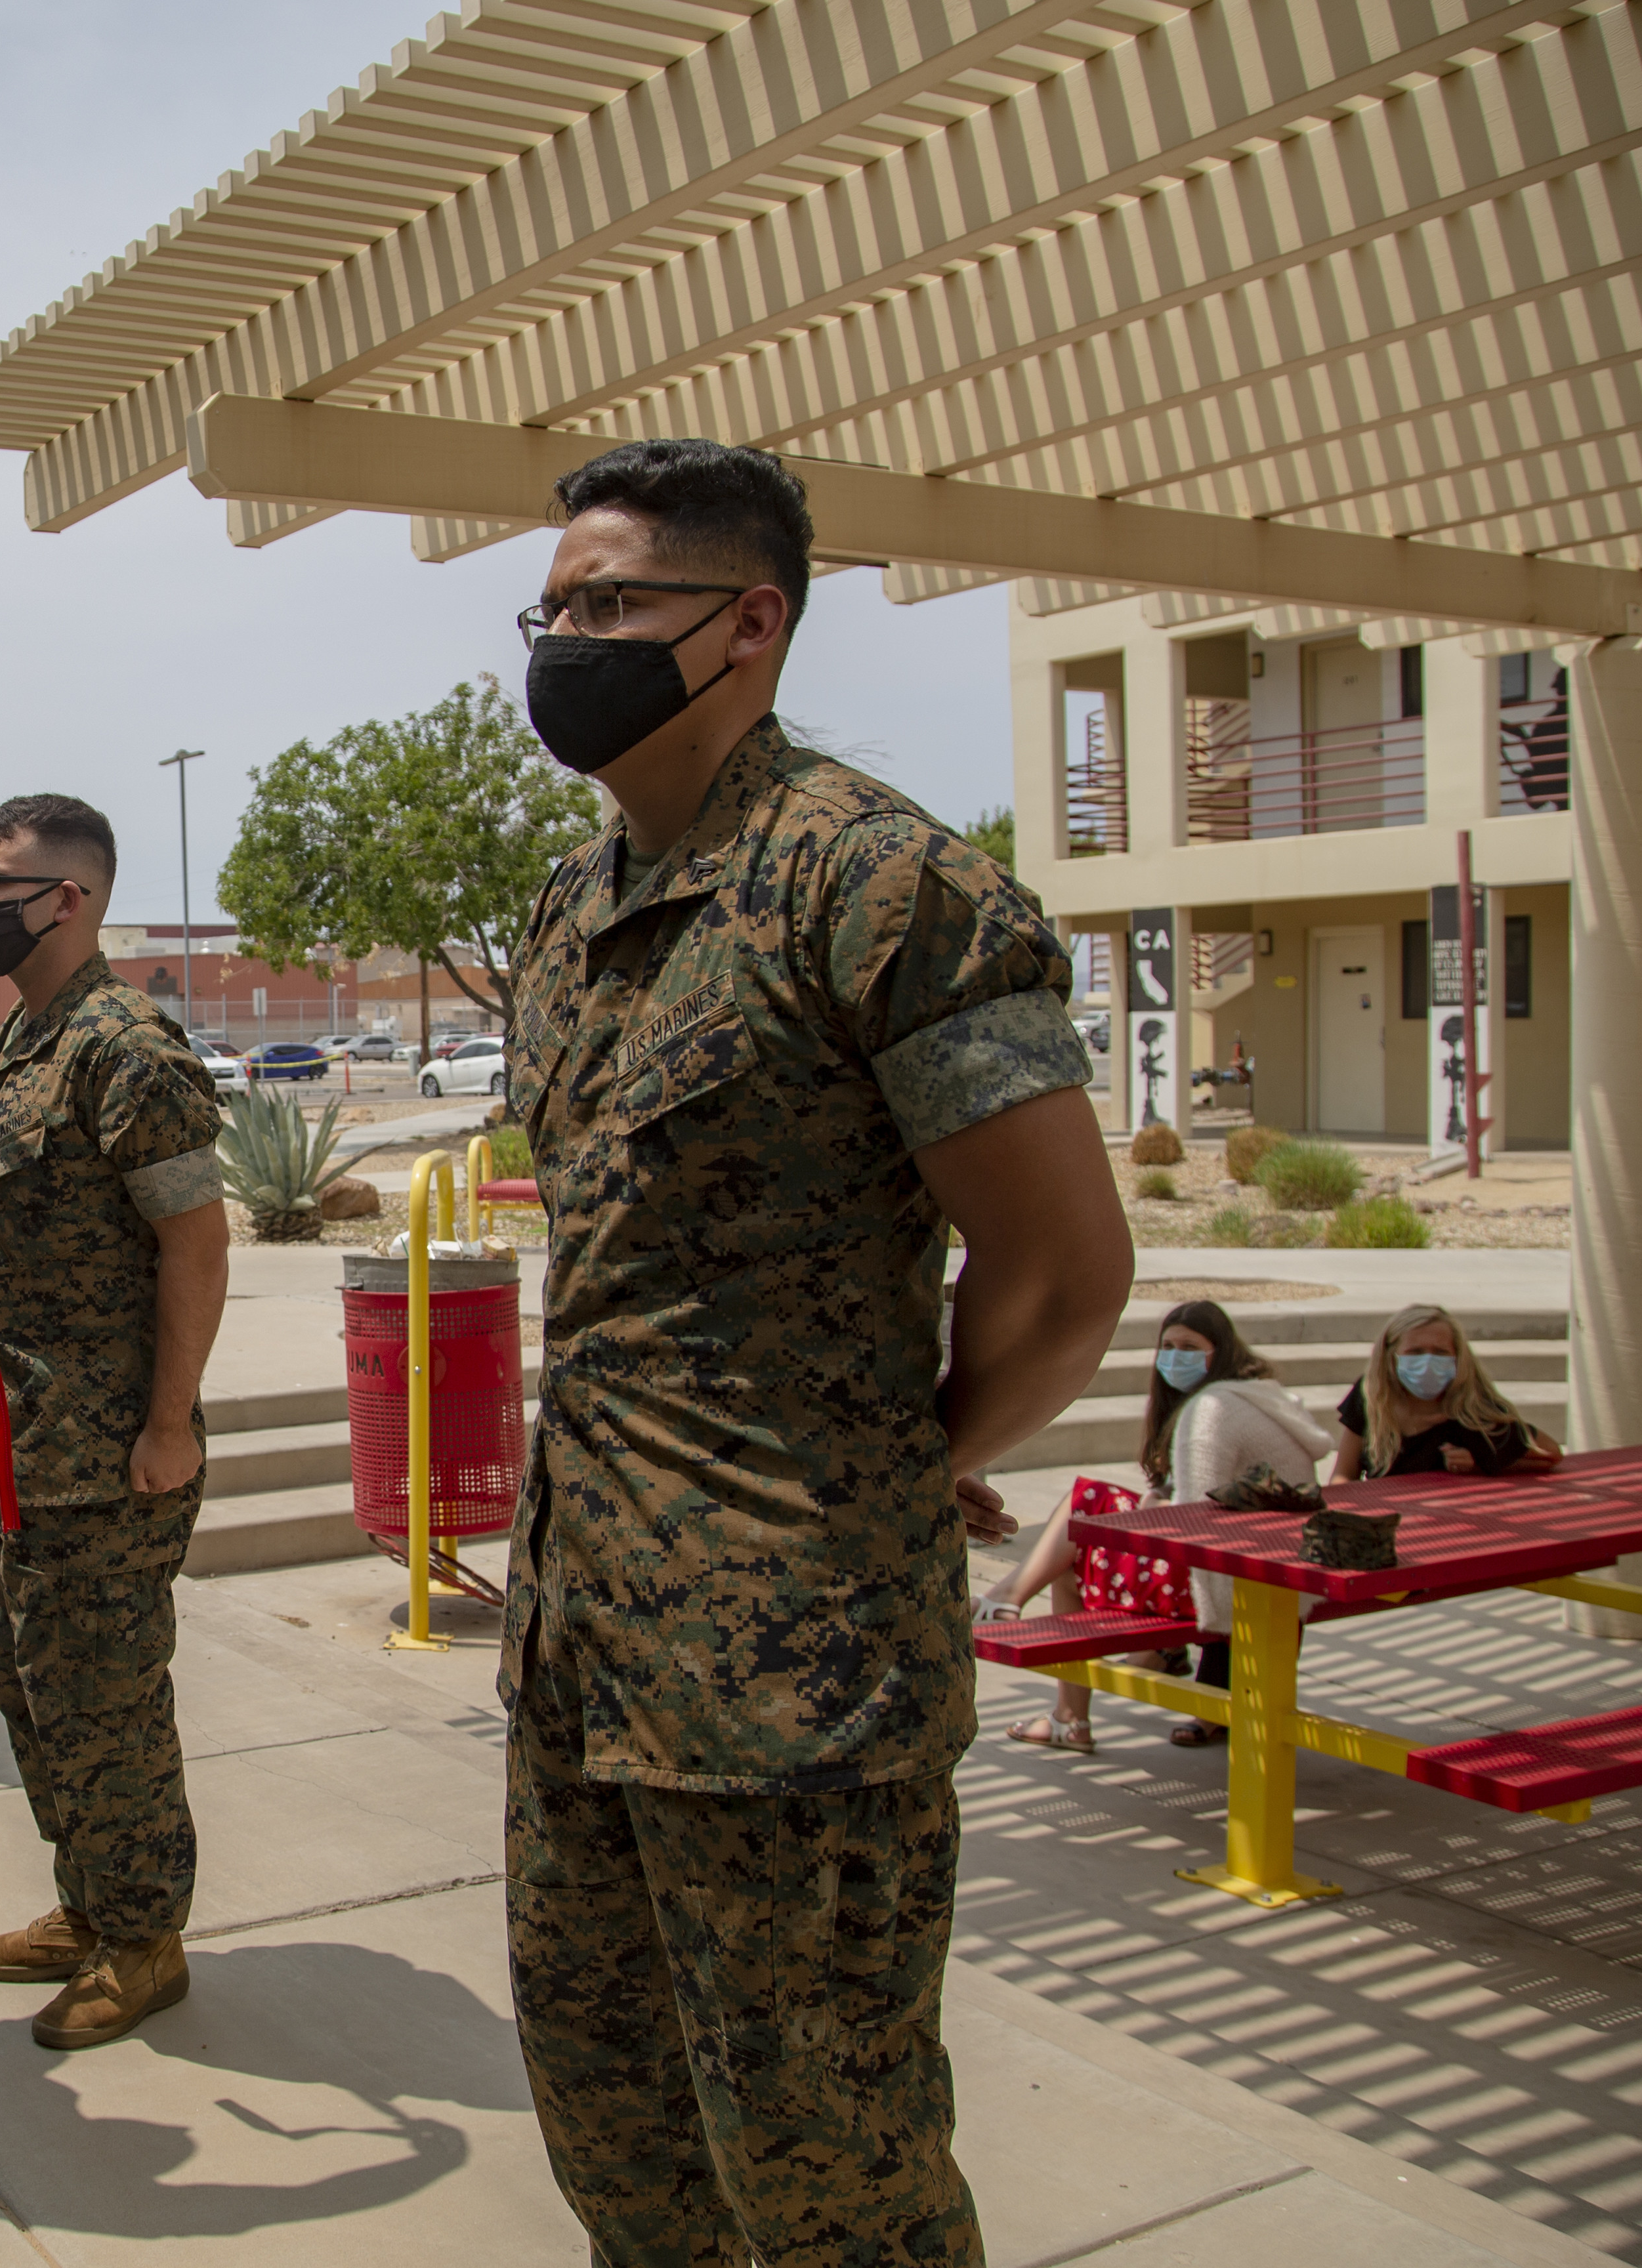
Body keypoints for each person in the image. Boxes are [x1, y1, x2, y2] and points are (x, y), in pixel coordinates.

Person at [501, 438, 1132, 2265]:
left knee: (831, 2174)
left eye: (610, 603)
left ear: (748, 625)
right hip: (583, 1649)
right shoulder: (570, 911)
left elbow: (1063, 1268)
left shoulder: (881, 887)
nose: (565, 641)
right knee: (619, 2133)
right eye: (549, 609)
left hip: (797, 1685)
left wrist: (908, 1456)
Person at [0, 793, 228, 2053]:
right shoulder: (23, 1040)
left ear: (66, 899)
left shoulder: (123, 1047)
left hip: (104, 1461)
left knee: (107, 1707)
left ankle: (142, 1937)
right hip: (18, 1457)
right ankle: (88, 1899)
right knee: (34, 1692)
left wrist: (167, 1426)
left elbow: (194, 1243)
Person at [986, 1302, 1335, 1754]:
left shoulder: (1212, 1409)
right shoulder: (1254, 1396)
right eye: (1167, 1347)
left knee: (1083, 1514)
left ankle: (1024, 1633)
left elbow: (1192, 1520)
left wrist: (1153, 1508)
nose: (1174, 1357)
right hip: (1258, 1569)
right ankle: (1069, 1710)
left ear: (1220, 1352)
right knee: (1081, 1535)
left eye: (1190, 1347)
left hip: (1225, 1583)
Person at [1334, 1303, 1562, 1484]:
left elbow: (1550, 1454)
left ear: (1457, 1357)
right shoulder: (1372, 1396)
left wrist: (1481, 1464)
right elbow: (1344, 1474)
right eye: (1416, 1352)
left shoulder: (1470, 1411)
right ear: (1391, 1355)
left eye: (1440, 1352)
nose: (1428, 1362)